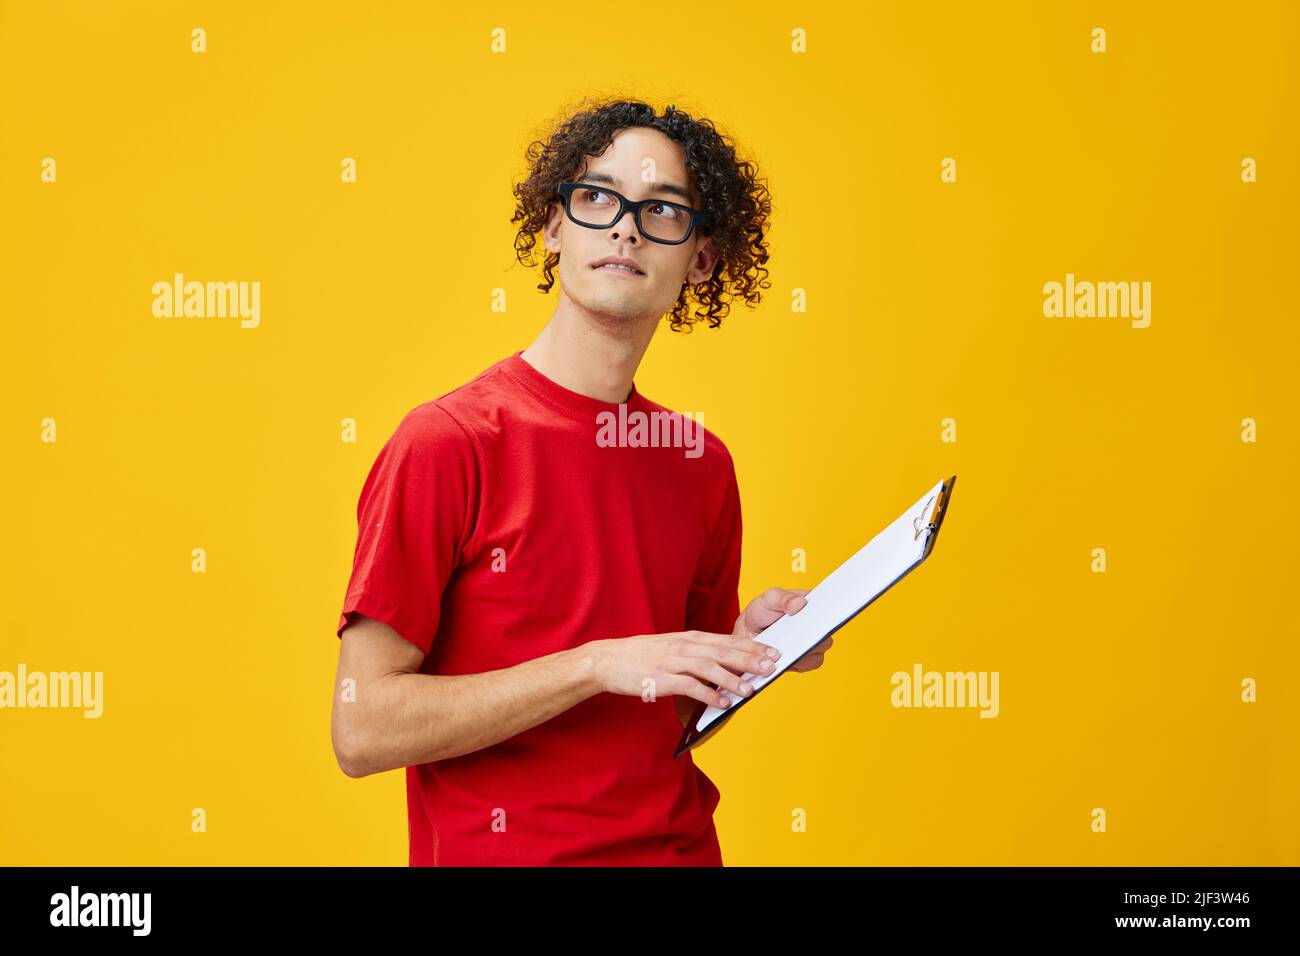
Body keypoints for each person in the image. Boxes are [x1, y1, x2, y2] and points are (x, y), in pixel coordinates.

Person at [331, 98, 834, 866]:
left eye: (663, 209)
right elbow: (362, 729)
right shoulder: (447, 443)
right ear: (555, 226)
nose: (625, 227)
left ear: (700, 258)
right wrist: (596, 662)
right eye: (598, 198)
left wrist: (740, 651)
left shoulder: (702, 465)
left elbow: (671, 714)